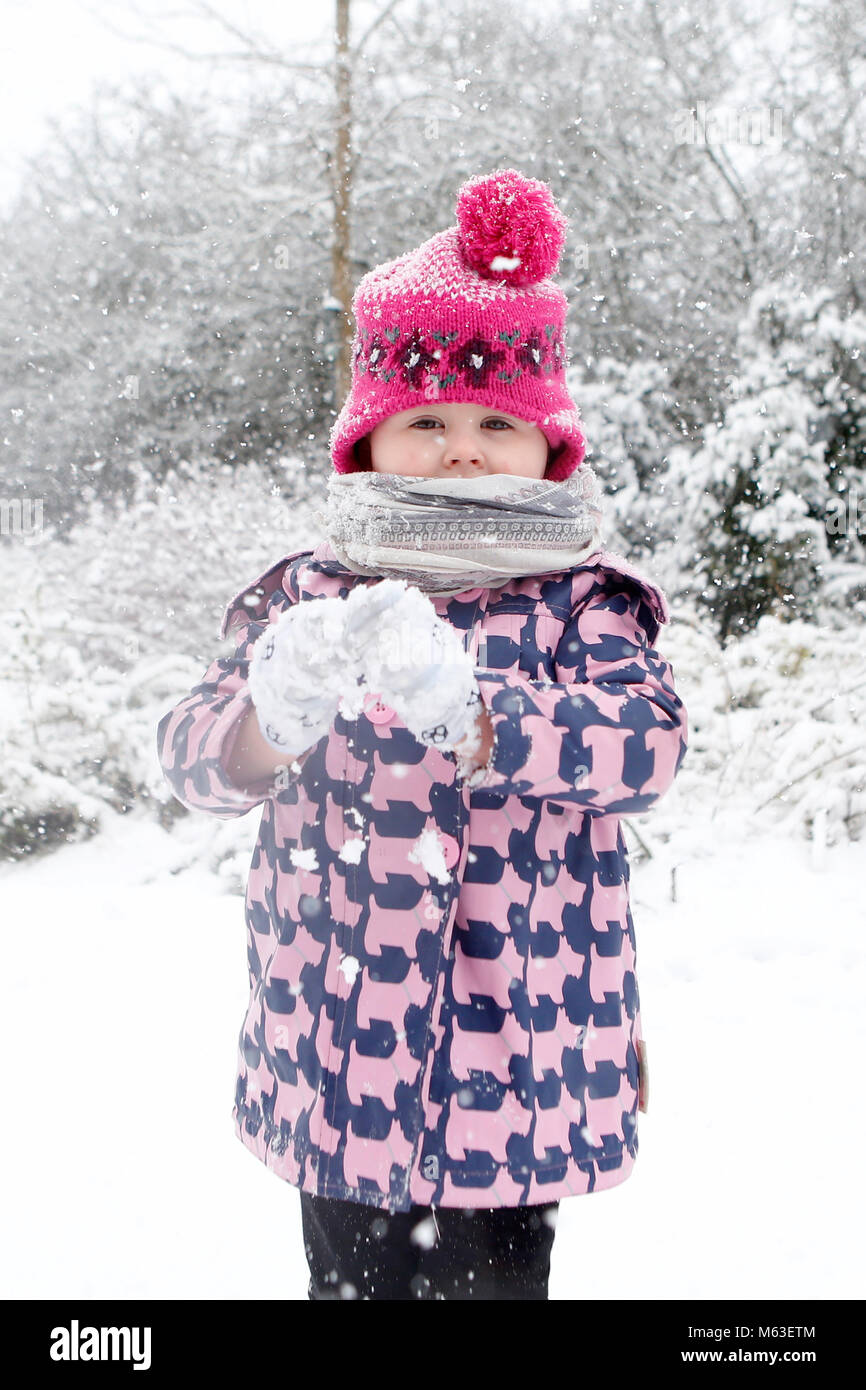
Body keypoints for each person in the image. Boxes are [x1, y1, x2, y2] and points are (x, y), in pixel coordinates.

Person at [156, 168, 689, 1300]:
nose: (461, 449)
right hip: (338, 1052)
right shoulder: (307, 597)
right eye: (428, 421)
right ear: (369, 440)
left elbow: (645, 748)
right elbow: (192, 755)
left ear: (549, 444)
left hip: (517, 1062)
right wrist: (270, 721)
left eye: (497, 421)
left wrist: (484, 717)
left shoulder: (579, 601)